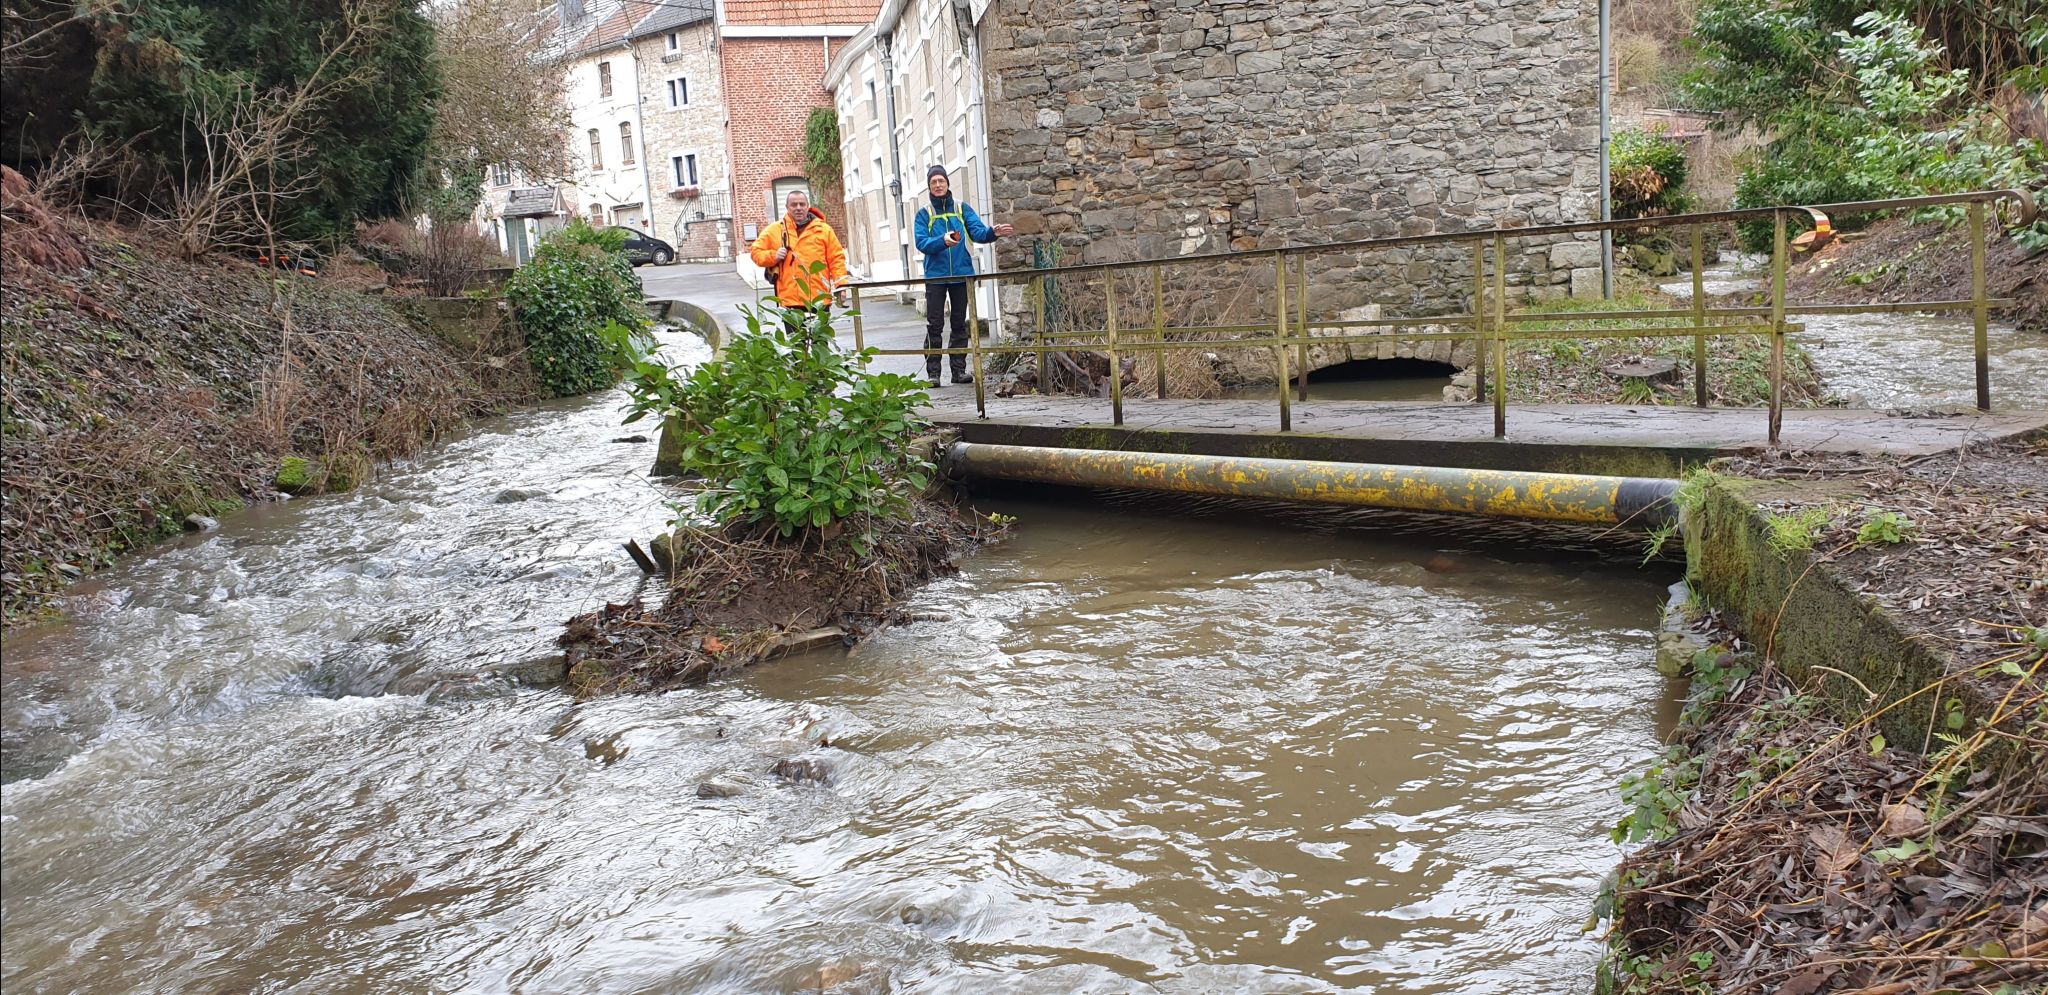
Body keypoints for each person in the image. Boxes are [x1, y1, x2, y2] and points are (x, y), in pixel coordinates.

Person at [913, 165, 1012, 386]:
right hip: (936, 277)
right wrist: (942, 241)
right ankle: (933, 374)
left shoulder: (961, 208)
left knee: (959, 323)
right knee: (935, 324)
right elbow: (921, 242)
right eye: (933, 182)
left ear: (948, 184)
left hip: (961, 275)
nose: (938, 185)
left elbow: (977, 232)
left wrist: (991, 232)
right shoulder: (924, 213)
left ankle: (959, 370)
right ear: (929, 186)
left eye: (941, 181)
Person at [749, 189, 849, 332]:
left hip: (819, 299)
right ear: (787, 207)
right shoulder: (775, 230)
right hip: (790, 300)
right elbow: (756, 252)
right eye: (794, 205)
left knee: (820, 346)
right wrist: (774, 256)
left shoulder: (823, 230)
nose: (798, 208)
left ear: (808, 205)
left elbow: (836, 259)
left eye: (802, 204)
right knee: (796, 347)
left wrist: (841, 286)